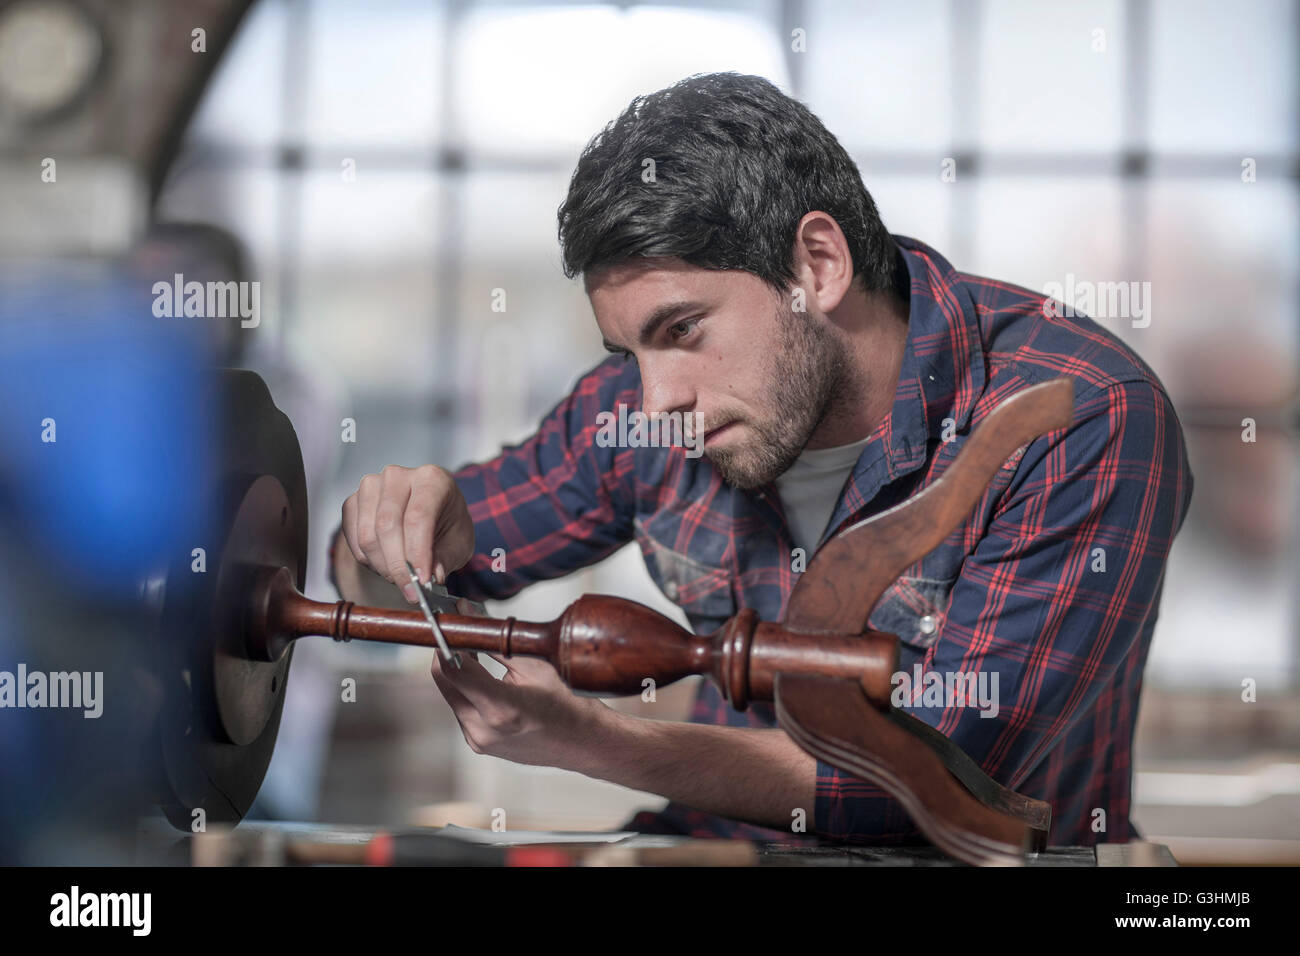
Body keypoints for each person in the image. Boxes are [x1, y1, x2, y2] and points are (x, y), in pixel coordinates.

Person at [330, 72, 1194, 847]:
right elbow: (385, 592)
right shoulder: (646, 415)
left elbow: (945, 783)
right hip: (713, 851)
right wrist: (385, 536)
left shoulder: (1078, 416)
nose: (655, 397)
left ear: (816, 266)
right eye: (628, 352)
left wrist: (593, 742)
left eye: (682, 330)